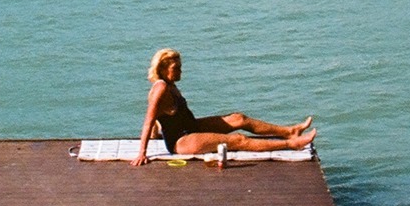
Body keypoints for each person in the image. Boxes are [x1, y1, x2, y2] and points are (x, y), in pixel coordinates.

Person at [132, 49, 313, 165]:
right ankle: (291, 144)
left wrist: (157, 133)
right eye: (176, 68)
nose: (181, 71)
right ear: (164, 69)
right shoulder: (161, 88)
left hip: (190, 126)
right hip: (182, 141)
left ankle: (289, 131)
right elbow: (149, 119)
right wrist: (142, 153)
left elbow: (159, 119)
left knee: (239, 118)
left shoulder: (169, 84)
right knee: (239, 140)